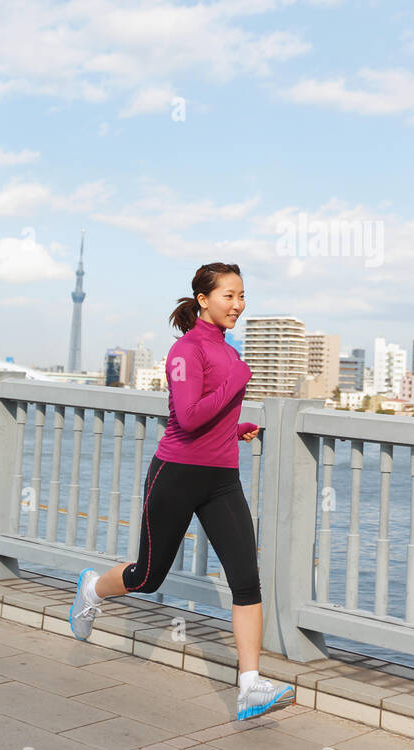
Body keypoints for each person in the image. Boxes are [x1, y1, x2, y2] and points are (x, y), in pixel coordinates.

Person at [68, 261, 294, 722]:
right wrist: (236, 382)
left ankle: (250, 686)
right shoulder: (187, 352)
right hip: (175, 474)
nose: (238, 304)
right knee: (147, 577)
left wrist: (237, 427)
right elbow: (188, 418)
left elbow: (214, 416)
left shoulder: (229, 352)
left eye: (242, 295)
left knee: (246, 580)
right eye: (229, 296)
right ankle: (93, 588)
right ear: (203, 300)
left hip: (221, 479)